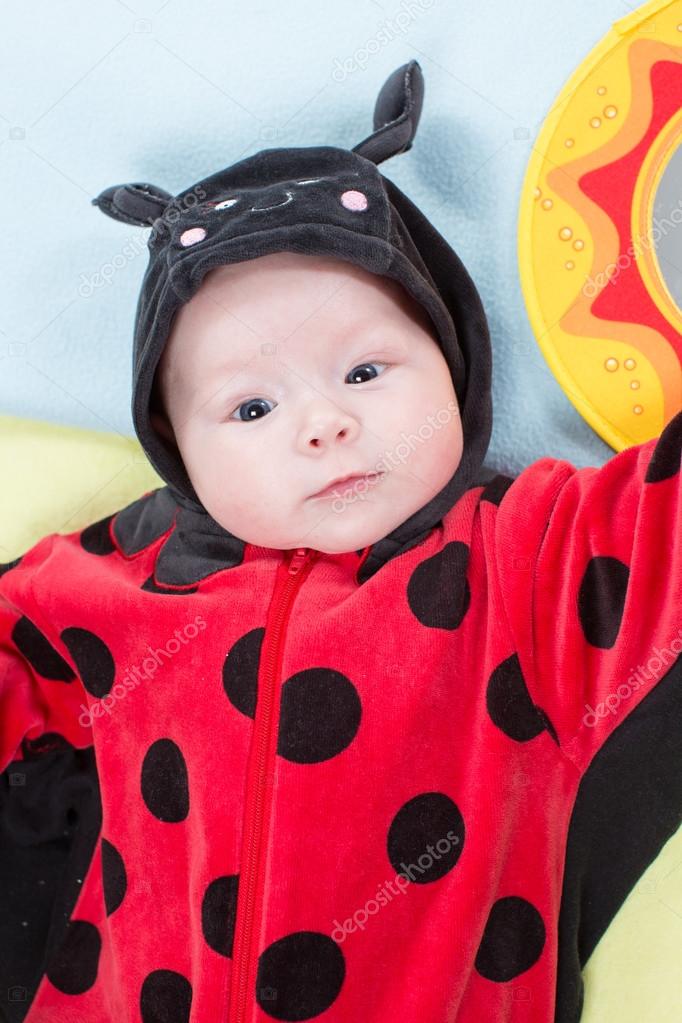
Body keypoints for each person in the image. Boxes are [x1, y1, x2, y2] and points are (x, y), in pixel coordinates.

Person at [0, 59, 680, 1023]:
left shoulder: (520, 559)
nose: (323, 425)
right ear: (176, 449)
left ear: (454, 363)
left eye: (365, 370)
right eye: (251, 407)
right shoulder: (119, 579)